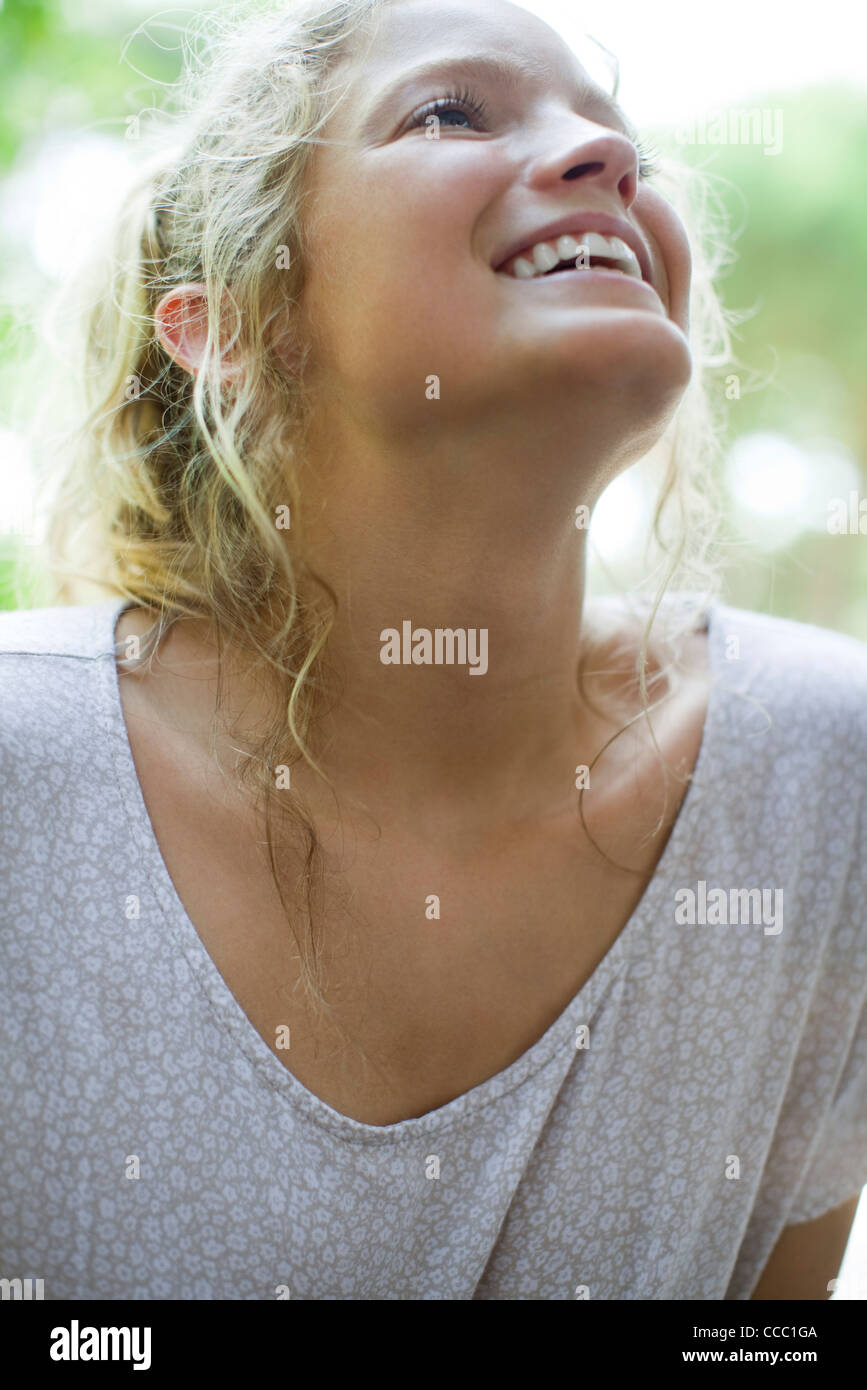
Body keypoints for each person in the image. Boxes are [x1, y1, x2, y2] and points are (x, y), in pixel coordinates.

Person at [1, 0, 865, 1301]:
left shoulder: (822, 776)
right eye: (450, 110)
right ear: (232, 323)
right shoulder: (22, 773)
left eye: (620, 132)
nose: (610, 160)